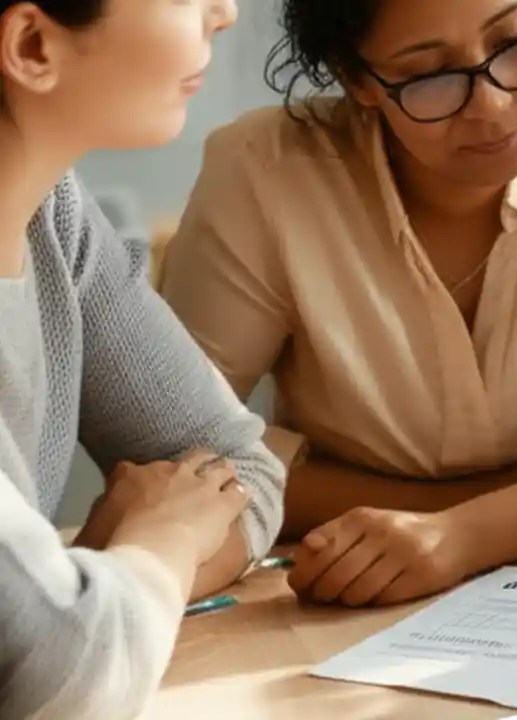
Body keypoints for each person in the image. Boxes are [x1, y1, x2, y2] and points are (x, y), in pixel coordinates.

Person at [159, 0, 517, 609]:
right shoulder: (265, 172)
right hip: (348, 589)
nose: (493, 106)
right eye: (432, 75)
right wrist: (513, 508)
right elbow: (175, 446)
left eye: (514, 40)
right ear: (357, 78)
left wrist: (459, 536)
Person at [0, 0, 287, 717]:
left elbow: (242, 468)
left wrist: (99, 590)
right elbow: (58, 673)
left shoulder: (51, 213)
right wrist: (157, 542)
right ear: (33, 44)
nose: (223, 13)